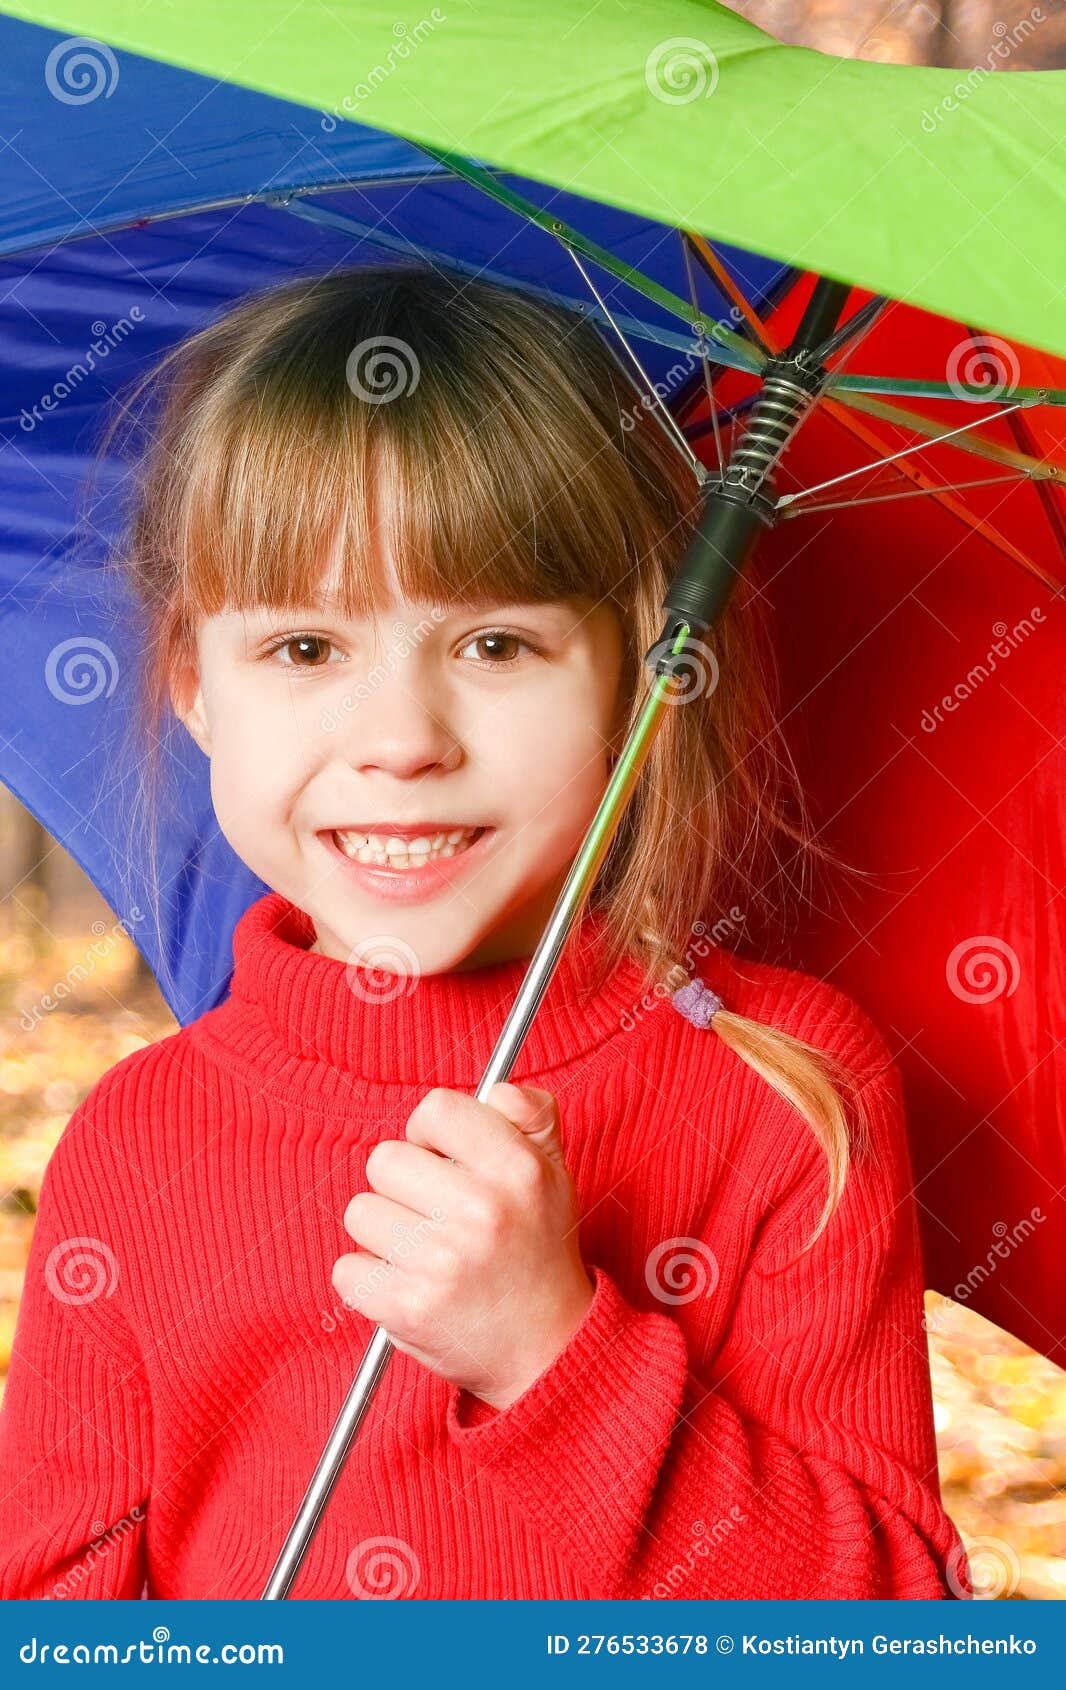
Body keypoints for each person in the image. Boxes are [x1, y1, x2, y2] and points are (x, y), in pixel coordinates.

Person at [0, 263, 971, 1601]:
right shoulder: (140, 1141)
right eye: (305, 649)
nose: (403, 741)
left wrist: (551, 1352)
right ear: (192, 685)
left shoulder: (784, 1090)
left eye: (497, 645)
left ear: (640, 673)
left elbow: (883, 1623)